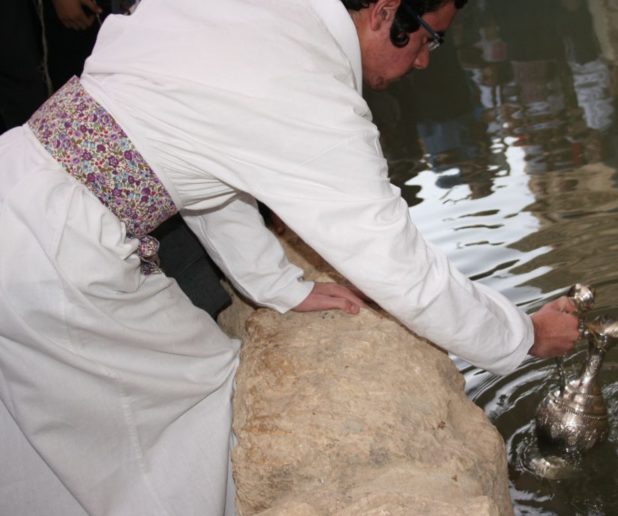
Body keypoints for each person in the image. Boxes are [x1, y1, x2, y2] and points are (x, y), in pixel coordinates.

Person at [0, 0, 579, 514]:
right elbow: (404, 271)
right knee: (190, 416)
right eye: (430, 38)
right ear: (385, 11)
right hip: (57, 260)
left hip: (18, 187)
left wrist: (279, 286)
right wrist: (524, 335)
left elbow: (210, 174)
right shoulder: (310, 90)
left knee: (38, 434)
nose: (425, 61)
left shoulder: (263, 13)